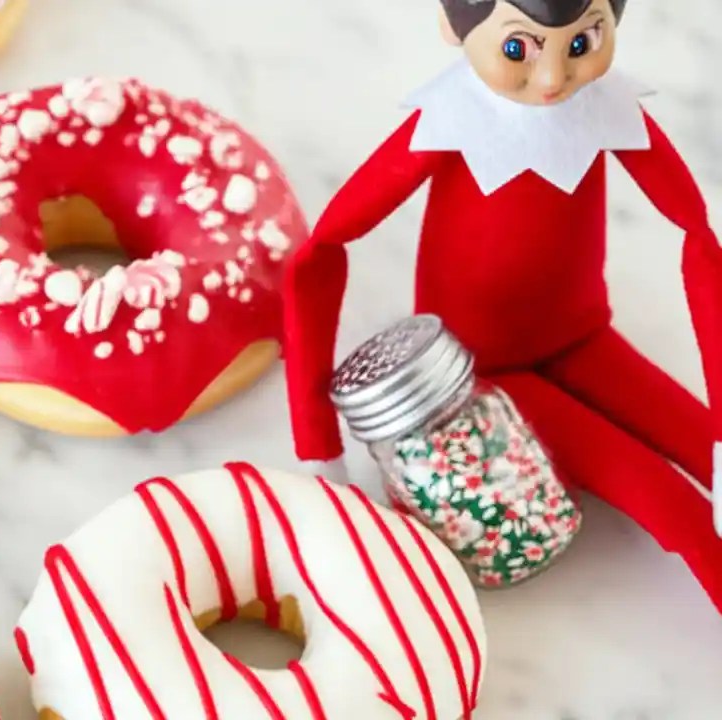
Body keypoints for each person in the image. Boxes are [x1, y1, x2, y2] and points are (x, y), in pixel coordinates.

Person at [283, 0, 722, 610]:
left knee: (709, 439)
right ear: (450, 25)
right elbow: (322, 250)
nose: (552, 81)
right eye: (519, 49)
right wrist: (318, 445)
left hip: (586, 336)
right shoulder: (449, 123)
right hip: (484, 371)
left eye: (583, 42)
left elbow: (699, 237)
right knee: (675, 510)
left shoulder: (608, 111)